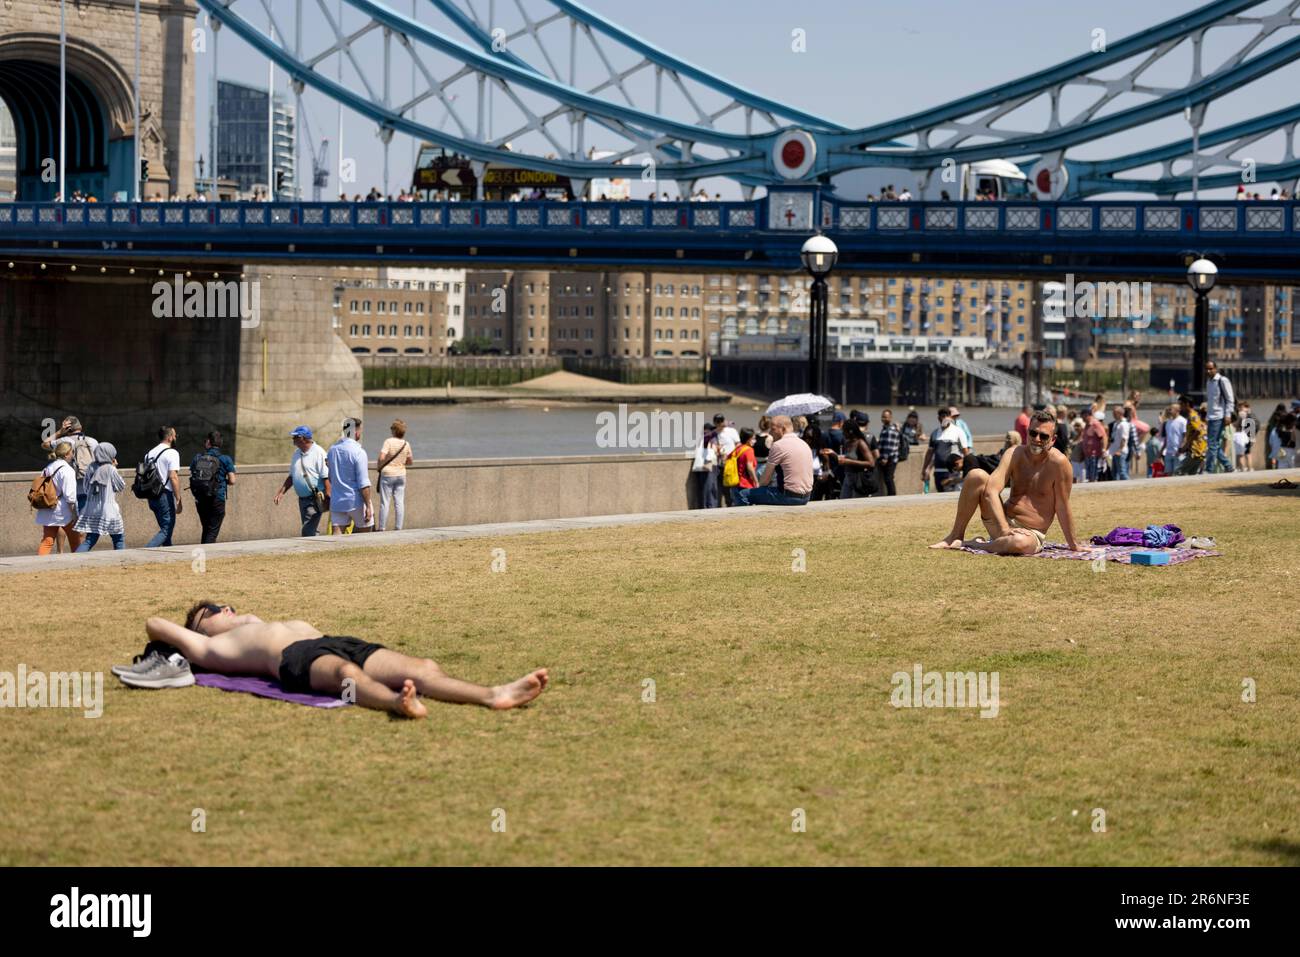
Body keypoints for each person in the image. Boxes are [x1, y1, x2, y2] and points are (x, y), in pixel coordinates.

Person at [116, 602, 548, 718]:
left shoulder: (258, 622)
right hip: (296, 659)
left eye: (226, 604)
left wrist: (228, 615)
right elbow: (155, 623)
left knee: (423, 667)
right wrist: (190, 632)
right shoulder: (211, 648)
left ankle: (494, 694)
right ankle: (395, 703)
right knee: (346, 676)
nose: (225, 610)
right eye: (213, 611)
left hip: (334, 639)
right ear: (200, 629)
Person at [929, 411, 1083, 554]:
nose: (1036, 439)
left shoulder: (1060, 464)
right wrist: (1004, 528)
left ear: (1053, 439)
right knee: (976, 475)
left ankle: (973, 544)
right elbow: (991, 490)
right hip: (1000, 522)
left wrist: (1073, 544)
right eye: (1033, 433)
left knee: (1019, 543)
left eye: (1043, 436)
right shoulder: (1014, 453)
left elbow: (1062, 505)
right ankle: (955, 536)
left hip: (1029, 534)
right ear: (1027, 432)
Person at [732, 415, 812, 506]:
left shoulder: (778, 445)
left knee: (742, 494)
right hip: (806, 497)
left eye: (773, 429)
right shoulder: (803, 443)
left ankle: (748, 519)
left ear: (783, 429)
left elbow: (764, 480)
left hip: (788, 497)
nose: (770, 432)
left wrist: (758, 489)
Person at [274, 426, 332, 536]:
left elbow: (326, 477)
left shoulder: (319, 452)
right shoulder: (297, 453)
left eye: (295, 437)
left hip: (315, 498)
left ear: (303, 438)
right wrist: (281, 492)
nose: (293, 439)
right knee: (311, 529)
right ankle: (316, 548)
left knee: (307, 530)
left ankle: (311, 549)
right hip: (302, 500)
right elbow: (292, 476)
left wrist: (328, 497)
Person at [74, 443, 126, 551]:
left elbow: (86, 488)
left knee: (89, 540)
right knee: (119, 539)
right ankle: (122, 562)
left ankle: (75, 560)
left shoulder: (91, 467)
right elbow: (121, 486)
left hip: (91, 509)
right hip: (109, 510)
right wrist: (114, 467)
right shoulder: (110, 469)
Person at [327, 418, 375, 533]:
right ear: (356, 432)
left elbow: (330, 477)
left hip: (337, 500)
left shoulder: (332, 450)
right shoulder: (359, 452)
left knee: (336, 537)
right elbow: (363, 483)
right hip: (355, 501)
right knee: (365, 532)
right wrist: (368, 505)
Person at [189, 430, 237, 545]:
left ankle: (204, 552)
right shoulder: (225, 459)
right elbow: (232, 480)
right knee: (212, 530)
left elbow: (193, 476)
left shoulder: (197, 458)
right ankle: (207, 554)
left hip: (200, 498)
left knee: (206, 527)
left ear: (208, 442)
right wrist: (222, 481)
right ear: (220, 443)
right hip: (217, 497)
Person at [41, 415, 98, 511]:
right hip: (91, 490)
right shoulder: (93, 442)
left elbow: (45, 444)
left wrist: (60, 431)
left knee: (74, 522)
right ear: (81, 427)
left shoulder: (64, 441)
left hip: (71, 492)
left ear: (68, 429)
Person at [35, 442, 83, 555]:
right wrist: (74, 514)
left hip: (47, 507)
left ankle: (37, 566)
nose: (73, 455)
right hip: (63, 511)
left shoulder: (48, 468)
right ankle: (78, 565)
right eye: (72, 452)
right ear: (66, 454)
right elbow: (70, 497)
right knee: (75, 541)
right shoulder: (67, 470)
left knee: (47, 540)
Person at [144, 426, 183, 548]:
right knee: (166, 529)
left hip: (151, 496)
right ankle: (144, 552)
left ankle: (169, 556)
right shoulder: (172, 453)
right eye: (175, 435)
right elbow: (173, 477)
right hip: (164, 495)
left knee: (165, 530)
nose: (176, 438)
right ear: (170, 437)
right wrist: (178, 499)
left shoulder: (149, 454)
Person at [376, 420, 414, 531]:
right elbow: (410, 461)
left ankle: (382, 527)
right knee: (399, 501)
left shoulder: (388, 441)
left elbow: (381, 457)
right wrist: (400, 462)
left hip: (388, 474)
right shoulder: (406, 444)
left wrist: (380, 466)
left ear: (394, 430)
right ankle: (398, 527)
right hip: (401, 474)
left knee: (385, 502)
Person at [825, 421, 877, 499]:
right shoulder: (847, 443)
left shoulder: (860, 443)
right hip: (848, 478)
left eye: (844, 431)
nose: (842, 433)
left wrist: (849, 462)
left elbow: (871, 463)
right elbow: (845, 459)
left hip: (858, 480)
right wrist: (833, 454)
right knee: (844, 502)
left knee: (856, 505)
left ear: (850, 431)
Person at [921, 408, 966, 493]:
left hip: (953, 472)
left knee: (952, 496)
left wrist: (966, 469)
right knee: (940, 495)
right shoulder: (934, 433)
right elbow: (930, 453)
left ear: (950, 417)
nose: (945, 418)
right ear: (939, 418)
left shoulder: (958, 431)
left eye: (947, 416)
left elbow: (965, 451)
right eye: (943, 416)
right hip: (938, 472)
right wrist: (925, 469)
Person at [1204, 361, 1236, 473]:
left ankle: (1208, 469)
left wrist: (1228, 415)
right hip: (1211, 417)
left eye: (1211, 369)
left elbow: (1230, 399)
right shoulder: (1208, 382)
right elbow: (1211, 401)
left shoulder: (1222, 380)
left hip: (1219, 416)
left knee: (1212, 444)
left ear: (1216, 369)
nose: (1208, 371)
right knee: (1214, 444)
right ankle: (1228, 466)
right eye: (1207, 369)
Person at [690, 421, 720, 508]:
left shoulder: (700, 439)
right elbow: (714, 451)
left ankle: (704, 505)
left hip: (701, 465)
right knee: (710, 487)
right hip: (709, 464)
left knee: (704, 487)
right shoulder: (711, 438)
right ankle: (710, 506)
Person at [713, 414, 740, 505]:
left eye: (722, 421)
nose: (720, 423)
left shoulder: (731, 431)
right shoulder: (713, 433)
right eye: (718, 422)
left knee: (731, 488)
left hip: (730, 464)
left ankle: (732, 505)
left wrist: (731, 456)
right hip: (718, 465)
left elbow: (738, 445)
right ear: (715, 423)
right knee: (719, 489)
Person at [1176, 394, 1207, 475]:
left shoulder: (1192, 416)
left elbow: (1198, 431)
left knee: (1178, 472)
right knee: (1191, 474)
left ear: (1187, 404)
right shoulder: (1195, 415)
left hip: (1195, 450)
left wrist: (1186, 445)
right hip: (1198, 450)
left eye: (1181, 404)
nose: (1180, 406)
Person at [875, 408, 902, 496]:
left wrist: (885, 458)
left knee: (888, 478)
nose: (884, 419)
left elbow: (888, 445)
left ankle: (892, 495)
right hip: (889, 458)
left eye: (886, 417)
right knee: (888, 478)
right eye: (882, 417)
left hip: (890, 458)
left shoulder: (890, 430)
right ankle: (891, 495)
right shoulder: (885, 429)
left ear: (890, 418)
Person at [1079, 409, 1108, 482]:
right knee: (1089, 476)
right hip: (1087, 454)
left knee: (1093, 475)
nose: (1082, 419)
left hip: (1094, 454)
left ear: (1087, 415)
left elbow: (1104, 437)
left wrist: (1104, 449)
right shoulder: (1086, 425)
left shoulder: (1095, 424)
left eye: (1083, 417)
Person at [1107, 405, 1131, 481]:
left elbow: (1124, 438)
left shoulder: (1124, 424)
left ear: (1120, 413)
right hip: (1115, 451)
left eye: (1115, 413)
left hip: (1120, 452)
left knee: (1122, 472)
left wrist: (1119, 450)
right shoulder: (1116, 424)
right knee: (1114, 473)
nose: (1113, 415)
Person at [1163, 402, 1187, 476]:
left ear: (1178, 410)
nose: (1170, 410)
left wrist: (1180, 449)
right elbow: (1167, 437)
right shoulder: (1168, 422)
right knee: (1168, 474)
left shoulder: (1183, 421)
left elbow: (1185, 437)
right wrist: (1161, 450)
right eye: (1170, 409)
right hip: (1168, 452)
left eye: (1172, 409)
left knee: (1177, 474)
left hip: (1178, 453)